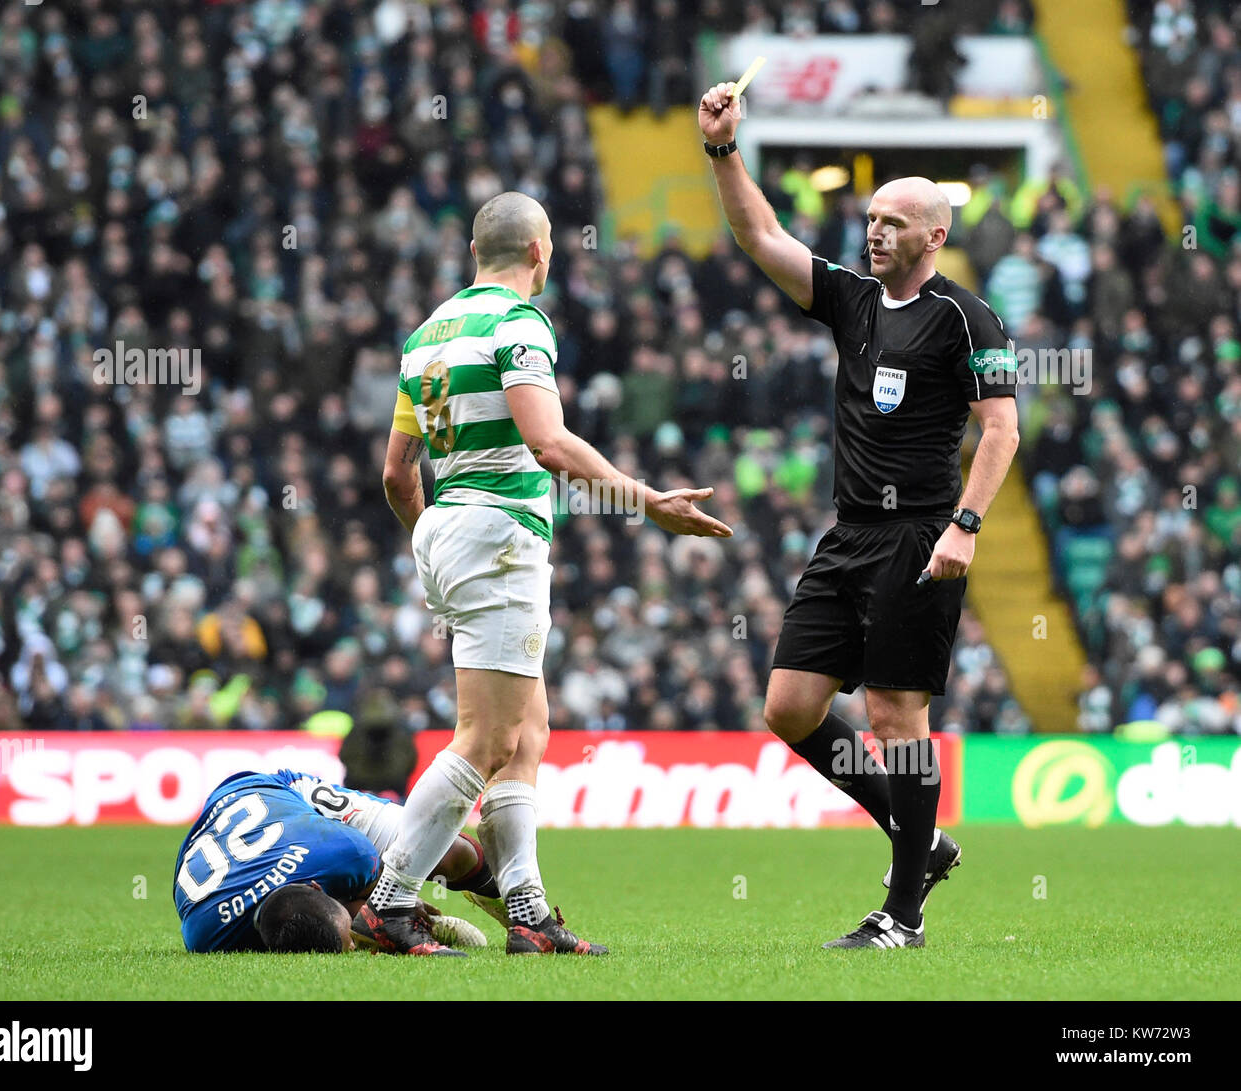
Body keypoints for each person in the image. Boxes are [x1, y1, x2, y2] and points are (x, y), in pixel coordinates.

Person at [698, 83, 1020, 949]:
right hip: (848, 533)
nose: (873, 229)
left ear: (934, 235)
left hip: (920, 534)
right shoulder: (853, 300)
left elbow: (1002, 428)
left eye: (892, 221)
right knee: (791, 706)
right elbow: (760, 236)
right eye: (870, 218)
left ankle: (903, 914)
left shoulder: (967, 317)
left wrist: (966, 525)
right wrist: (725, 150)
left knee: (894, 718)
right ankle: (922, 839)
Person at [369, 190, 733, 956]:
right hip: (500, 531)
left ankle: (528, 914)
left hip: (450, 526)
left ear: (475, 253)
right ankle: (389, 900)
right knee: (485, 736)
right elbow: (550, 445)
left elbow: (398, 475)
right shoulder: (519, 324)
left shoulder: (426, 335)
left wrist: (433, 538)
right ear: (540, 253)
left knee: (526, 731)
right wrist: (648, 502)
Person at [173, 768, 499, 954]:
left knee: (451, 854)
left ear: (319, 887)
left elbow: (392, 886)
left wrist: (402, 906)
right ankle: (361, 919)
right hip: (247, 831)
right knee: (350, 915)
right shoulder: (203, 935)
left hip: (279, 793)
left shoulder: (348, 851)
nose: (352, 949)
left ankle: (521, 912)